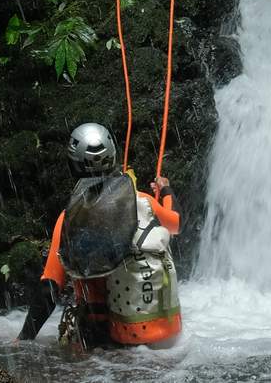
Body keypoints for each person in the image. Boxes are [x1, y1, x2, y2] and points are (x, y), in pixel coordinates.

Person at [17, 122, 182, 348]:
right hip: (152, 336)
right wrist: (166, 191)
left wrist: (23, 340)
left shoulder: (69, 219)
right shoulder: (144, 201)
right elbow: (177, 224)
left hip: (98, 337)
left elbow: (50, 289)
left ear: (73, 165)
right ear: (113, 156)